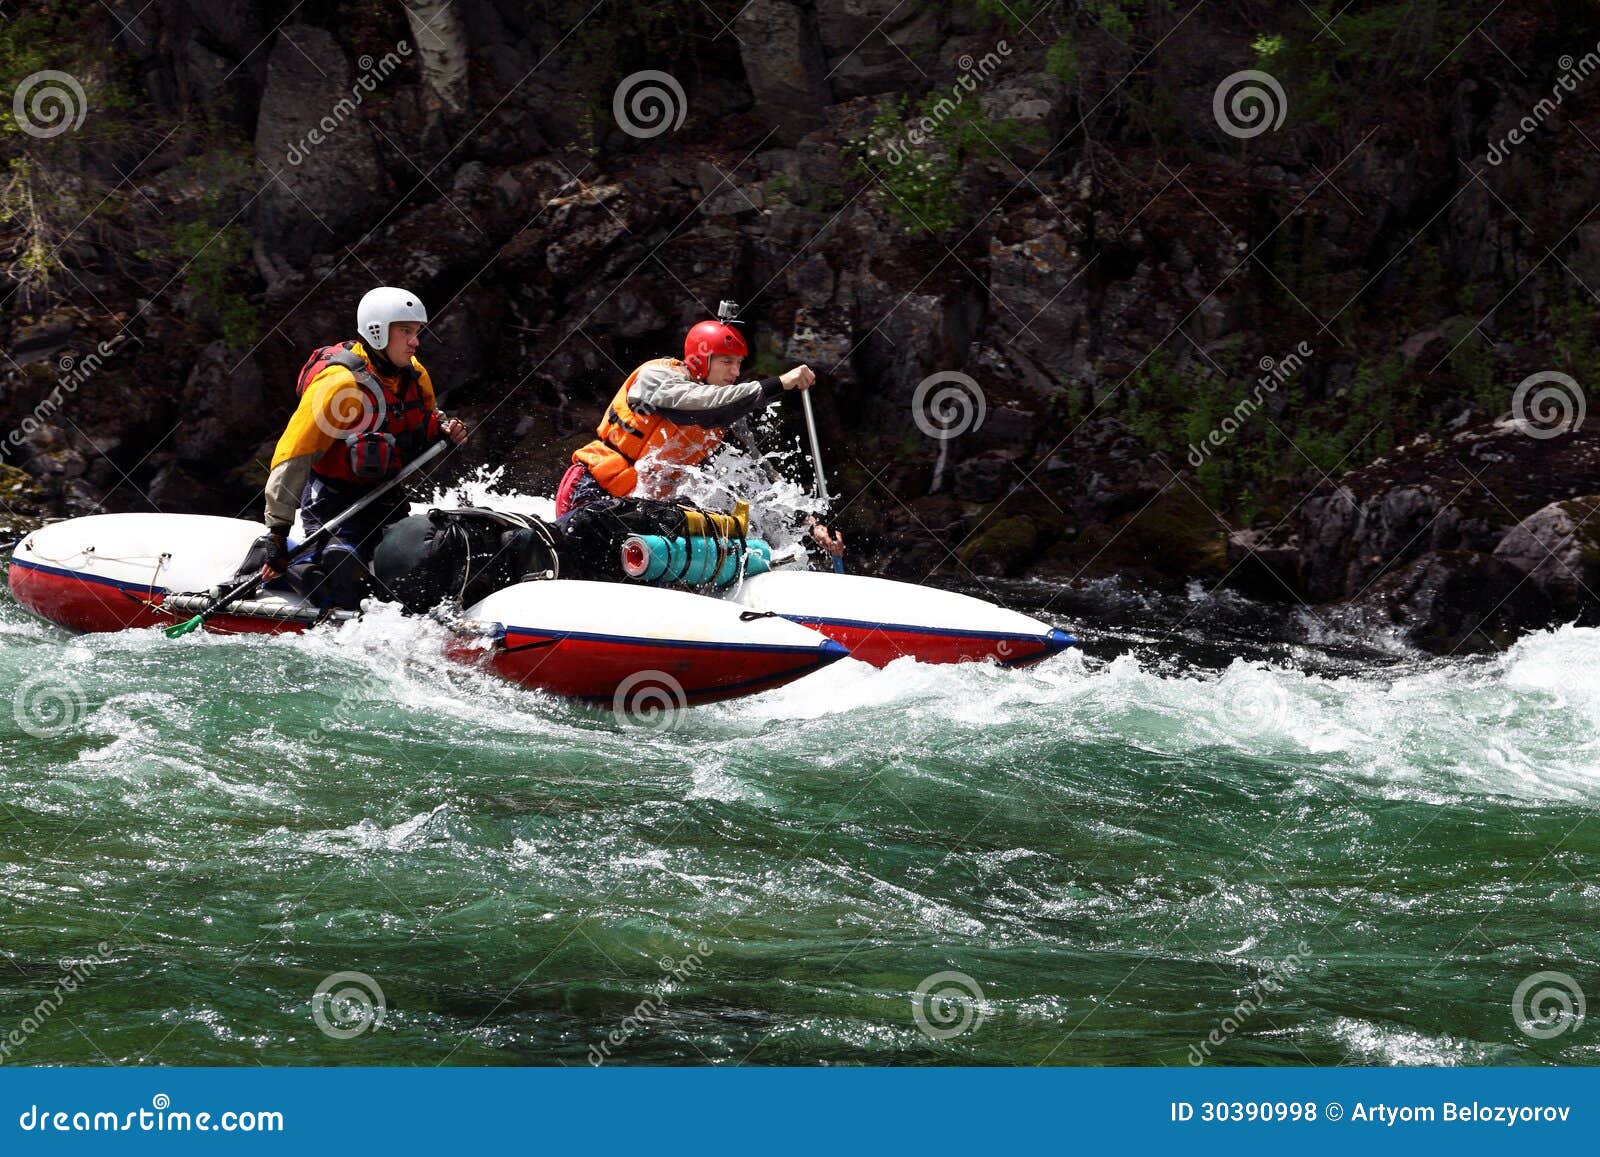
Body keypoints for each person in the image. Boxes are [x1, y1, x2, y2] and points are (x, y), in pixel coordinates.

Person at [249, 286, 468, 610]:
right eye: (405, 331)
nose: (415, 342)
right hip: (332, 505)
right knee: (345, 584)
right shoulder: (340, 387)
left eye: (417, 332)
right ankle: (287, 560)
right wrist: (277, 534)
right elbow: (292, 459)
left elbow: (424, 421)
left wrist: (445, 430)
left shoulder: (414, 374)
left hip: (386, 498)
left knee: (415, 570)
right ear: (377, 331)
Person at [555, 316, 843, 556]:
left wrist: (811, 524)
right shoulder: (657, 378)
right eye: (727, 361)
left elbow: (757, 479)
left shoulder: (724, 418)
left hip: (640, 511)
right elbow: (699, 405)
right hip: (592, 490)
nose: (735, 371)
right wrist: (778, 383)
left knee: (692, 519)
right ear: (701, 360)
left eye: (739, 363)